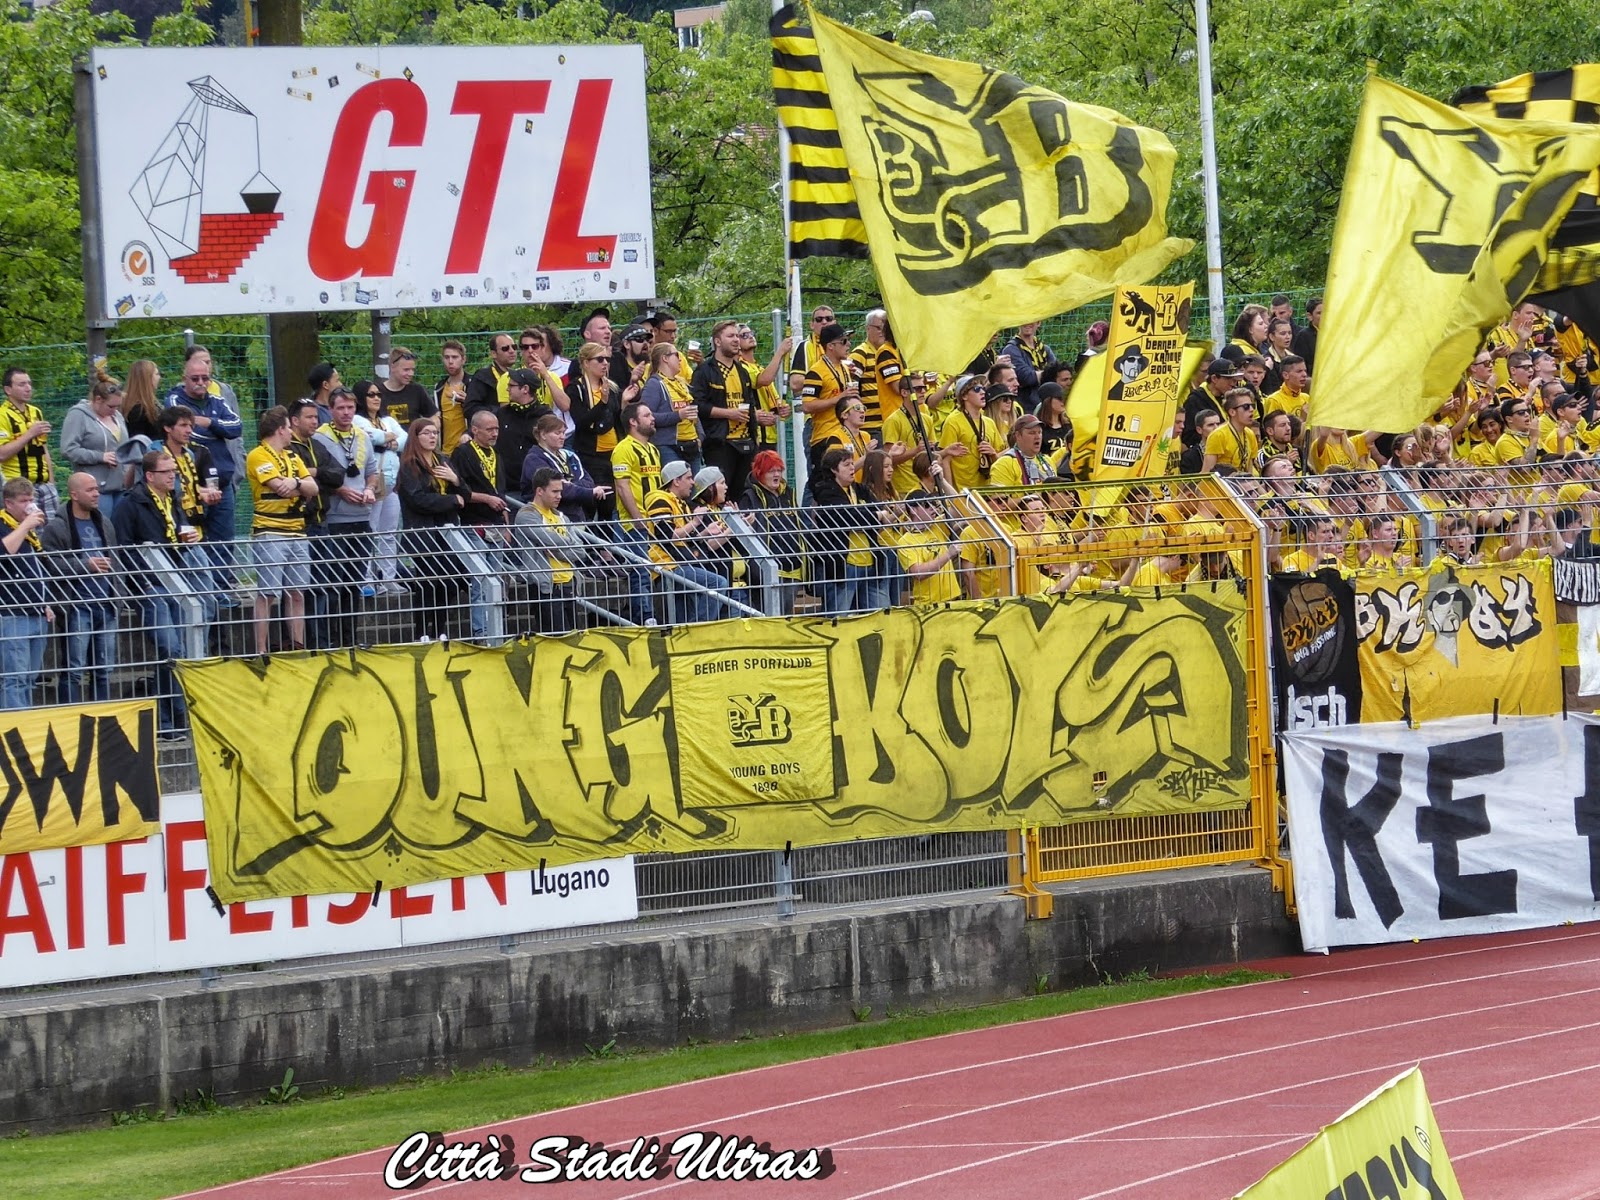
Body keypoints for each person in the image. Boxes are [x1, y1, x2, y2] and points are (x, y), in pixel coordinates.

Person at [112, 450, 193, 734]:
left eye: (174, 471)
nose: (172, 476)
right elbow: (123, 548)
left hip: (175, 584)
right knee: (170, 649)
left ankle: (171, 718)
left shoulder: (172, 500)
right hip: (150, 587)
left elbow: (176, 535)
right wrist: (143, 582)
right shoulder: (129, 504)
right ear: (149, 476)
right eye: (166, 472)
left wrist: (189, 540)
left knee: (175, 653)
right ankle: (173, 715)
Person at [243, 407, 318, 655]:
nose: (291, 432)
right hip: (270, 531)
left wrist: (295, 482)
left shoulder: (293, 457)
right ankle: (261, 649)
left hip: (297, 530)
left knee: (297, 593)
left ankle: (297, 646)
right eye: (288, 427)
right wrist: (300, 488)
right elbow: (277, 487)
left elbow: (313, 488)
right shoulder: (257, 455)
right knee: (268, 593)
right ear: (280, 430)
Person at [40, 472, 119, 704]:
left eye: (97, 489)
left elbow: (116, 559)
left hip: (106, 604)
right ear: (74, 495)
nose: (96, 494)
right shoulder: (57, 527)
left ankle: (103, 716)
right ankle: (71, 716)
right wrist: (85, 565)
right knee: (74, 670)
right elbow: (50, 563)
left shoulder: (104, 521)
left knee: (104, 670)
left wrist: (118, 595)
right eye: (90, 490)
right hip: (77, 607)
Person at [312, 387, 379, 648]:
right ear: (330, 409)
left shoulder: (362, 435)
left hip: (361, 516)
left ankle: (350, 639)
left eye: (350, 408)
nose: (346, 413)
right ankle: (331, 641)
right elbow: (318, 474)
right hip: (334, 518)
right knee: (333, 583)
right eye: (340, 408)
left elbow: (372, 471)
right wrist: (341, 490)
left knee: (354, 582)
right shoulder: (320, 437)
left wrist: (369, 489)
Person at [395, 418, 471, 642]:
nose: (432, 437)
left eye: (435, 433)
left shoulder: (443, 461)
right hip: (423, 532)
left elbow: (465, 495)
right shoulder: (409, 465)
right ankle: (422, 631)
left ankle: (440, 628)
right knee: (427, 583)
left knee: (449, 582)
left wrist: (455, 480)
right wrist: (451, 500)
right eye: (427, 433)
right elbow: (418, 499)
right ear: (415, 436)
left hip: (447, 532)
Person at [164, 346, 243, 553]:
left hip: (221, 482)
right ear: (185, 379)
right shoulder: (174, 399)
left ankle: (223, 575)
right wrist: (218, 431)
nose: (201, 382)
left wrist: (209, 422)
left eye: (205, 378)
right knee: (194, 542)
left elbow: (236, 427)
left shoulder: (217, 400)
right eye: (195, 379)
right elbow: (191, 435)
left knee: (224, 542)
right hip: (193, 484)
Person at [693, 319, 778, 499]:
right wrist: (728, 413)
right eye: (730, 336)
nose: (736, 340)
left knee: (744, 494)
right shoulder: (704, 371)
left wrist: (754, 437)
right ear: (717, 341)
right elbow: (698, 406)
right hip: (720, 443)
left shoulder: (742, 371)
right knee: (720, 495)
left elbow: (750, 404)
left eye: (737, 336)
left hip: (746, 443)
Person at [642, 459, 731, 625]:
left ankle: (692, 631)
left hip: (680, 564)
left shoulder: (680, 503)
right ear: (676, 481)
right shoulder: (658, 499)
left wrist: (705, 532)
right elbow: (667, 536)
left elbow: (684, 539)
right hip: (668, 566)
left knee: (681, 620)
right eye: (688, 478)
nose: (692, 482)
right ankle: (700, 627)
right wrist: (696, 522)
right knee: (718, 583)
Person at [512, 467, 587, 634]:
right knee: (555, 639)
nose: (559, 496)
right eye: (554, 491)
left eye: (560, 491)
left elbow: (581, 551)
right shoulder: (526, 515)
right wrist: (566, 546)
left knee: (573, 637)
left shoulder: (562, 517)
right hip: (546, 588)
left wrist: (557, 550)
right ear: (539, 491)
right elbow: (550, 540)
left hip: (569, 584)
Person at [569, 341, 636, 521]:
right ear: (586, 363)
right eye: (599, 359)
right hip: (591, 454)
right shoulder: (576, 388)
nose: (605, 363)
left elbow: (615, 419)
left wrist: (624, 403)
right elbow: (582, 422)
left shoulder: (611, 387)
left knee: (610, 505)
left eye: (607, 359)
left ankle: (607, 539)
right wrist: (602, 402)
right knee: (594, 503)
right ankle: (593, 539)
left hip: (613, 453)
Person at [0, 477, 51, 711]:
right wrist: (25, 526)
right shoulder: (5, 525)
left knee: (30, 678)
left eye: (31, 500)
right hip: (12, 613)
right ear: (8, 503)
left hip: (36, 611)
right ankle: (14, 726)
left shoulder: (28, 530)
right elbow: (4, 551)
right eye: (23, 501)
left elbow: (37, 568)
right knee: (15, 678)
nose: (29, 505)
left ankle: (26, 723)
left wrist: (45, 602)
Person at [809, 446, 879, 615]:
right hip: (844, 565)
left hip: (869, 562)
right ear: (834, 470)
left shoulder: (860, 489)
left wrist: (872, 516)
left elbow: (875, 511)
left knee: (876, 615)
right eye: (846, 465)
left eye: (852, 463)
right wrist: (874, 516)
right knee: (838, 617)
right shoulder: (826, 491)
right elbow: (847, 518)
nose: (852, 468)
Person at [353, 379, 407, 594]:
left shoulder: (387, 419)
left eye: (378, 394)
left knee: (389, 532)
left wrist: (388, 440)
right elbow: (370, 437)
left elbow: (405, 438)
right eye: (371, 394)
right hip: (372, 481)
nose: (376, 398)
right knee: (371, 530)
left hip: (391, 483)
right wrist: (389, 438)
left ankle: (388, 578)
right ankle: (366, 578)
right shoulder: (357, 419)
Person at [739, 448, 805, 614]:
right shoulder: (750, 496)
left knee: (786, 614)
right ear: (760, 472)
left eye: (779, 470)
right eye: (771, 471)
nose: (777, 475)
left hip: (793, 567)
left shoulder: (789, 493)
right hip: (768, 570)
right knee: (770, 616)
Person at [61, 368, 130, 519]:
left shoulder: (117, 416)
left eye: (117, 406)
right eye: (111, 406)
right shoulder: (78, 415)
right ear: (98, 399)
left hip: (121, 487)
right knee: (103, 528)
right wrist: (100, 457)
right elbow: (68, 449)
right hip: (97, 489)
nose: (115, 411)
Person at [520, 413, 612, 524]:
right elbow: (557, 489)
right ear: (543, 435)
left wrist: (570, 485)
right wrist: (587, 492)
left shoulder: (570, 456)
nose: (562, 437)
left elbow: (589, 482)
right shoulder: (534, 459)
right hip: (548, 521)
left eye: (563, 433)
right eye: (557, 433)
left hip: (577, 518)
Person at [798, 321, 858, 476]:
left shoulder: (844, 368)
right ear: (830, 346)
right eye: (843, 341)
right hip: (825, 437)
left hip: (844, 435)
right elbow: (807, 406)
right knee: (824, 484)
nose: (848, 344)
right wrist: (840, 398)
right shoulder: (816, 371)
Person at [0, 367, 58, 520]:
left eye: (29, 383)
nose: (28, 388)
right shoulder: (2, 415)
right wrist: (29, 434)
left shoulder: (35, 412)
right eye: (22, 384)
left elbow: (43, 448)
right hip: (18, 488)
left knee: (52, 528)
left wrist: (51, 481)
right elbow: (2, 454)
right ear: (8, 390)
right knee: (28, 528)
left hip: (44, 485)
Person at [895, 488, 963, 605]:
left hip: (952, 601)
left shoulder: (938, 525)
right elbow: (919, 573)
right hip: (928, 606)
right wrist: (948, 555)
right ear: (913, 510)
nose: (933, 508)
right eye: (926, 505)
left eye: (933, 503)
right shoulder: (905, 541)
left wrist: (942, 481)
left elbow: (960, 505)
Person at [641, 342, 701, 469]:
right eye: (676, 355)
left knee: (694, 482)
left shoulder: (681, 383)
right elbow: (646, 417)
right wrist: (678, 415)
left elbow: (693, 412)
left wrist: (700, 436)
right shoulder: (654, 384)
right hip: (669, 446)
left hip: (692, 444)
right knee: (676, 481)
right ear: (665, 358)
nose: (680, 359)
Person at [937, 375, 1000, 492]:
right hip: (963, 491)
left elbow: (999, 458)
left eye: (983, 389)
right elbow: (946, 459)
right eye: (977, 389)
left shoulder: (989, 422)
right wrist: (952, 495)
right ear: (964, 396)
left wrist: (993, 454)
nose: (982, 392)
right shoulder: (953, 421)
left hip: (987, 490)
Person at [499, 368, 554, 497]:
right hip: (507, 487)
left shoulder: (544, 416)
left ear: (525, 389)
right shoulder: (502, 413)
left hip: (534, 489)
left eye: (511, 386)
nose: (507, 389)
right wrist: (468, 433)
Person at [852, 309, 906, 435]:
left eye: (884, 328)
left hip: (891, 420)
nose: (882, 331)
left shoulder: (894, 352)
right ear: (867, 328)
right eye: (878, 328)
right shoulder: (859, 354)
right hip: (871, 425)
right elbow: (851, 389)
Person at [1002, 321, 1056, 414]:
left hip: (1046, 405)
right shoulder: (1011, 349)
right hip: (1025, 407)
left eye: (1032, 319)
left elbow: (1057, 373)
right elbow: (1026, 377)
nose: (1027, 323)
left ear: (1038, 323)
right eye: (1025, 319)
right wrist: (1049, 374)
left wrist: (1049, 374)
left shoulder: (1044, 349)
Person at [465, 333, 518, 427]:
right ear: (493, 354)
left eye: (514, 347)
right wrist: (499, 411)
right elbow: (470, 408)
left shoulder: (517, 375)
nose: (511, 351)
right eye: (505, 348)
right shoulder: (482, 377)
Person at [434, 339, 470, 448]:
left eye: (454, 357)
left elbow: (481, 414)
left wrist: (468, 402)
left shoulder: (473, 385)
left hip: (466, 449)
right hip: (444, 450)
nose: (450, 361)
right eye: (447, 357)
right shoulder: (439, 388)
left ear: (463, 359)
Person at [121, 359, 164, 442]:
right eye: (157, 374)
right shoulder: (138, 410)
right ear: (147, 378)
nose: (159, 377)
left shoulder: (149, 404)